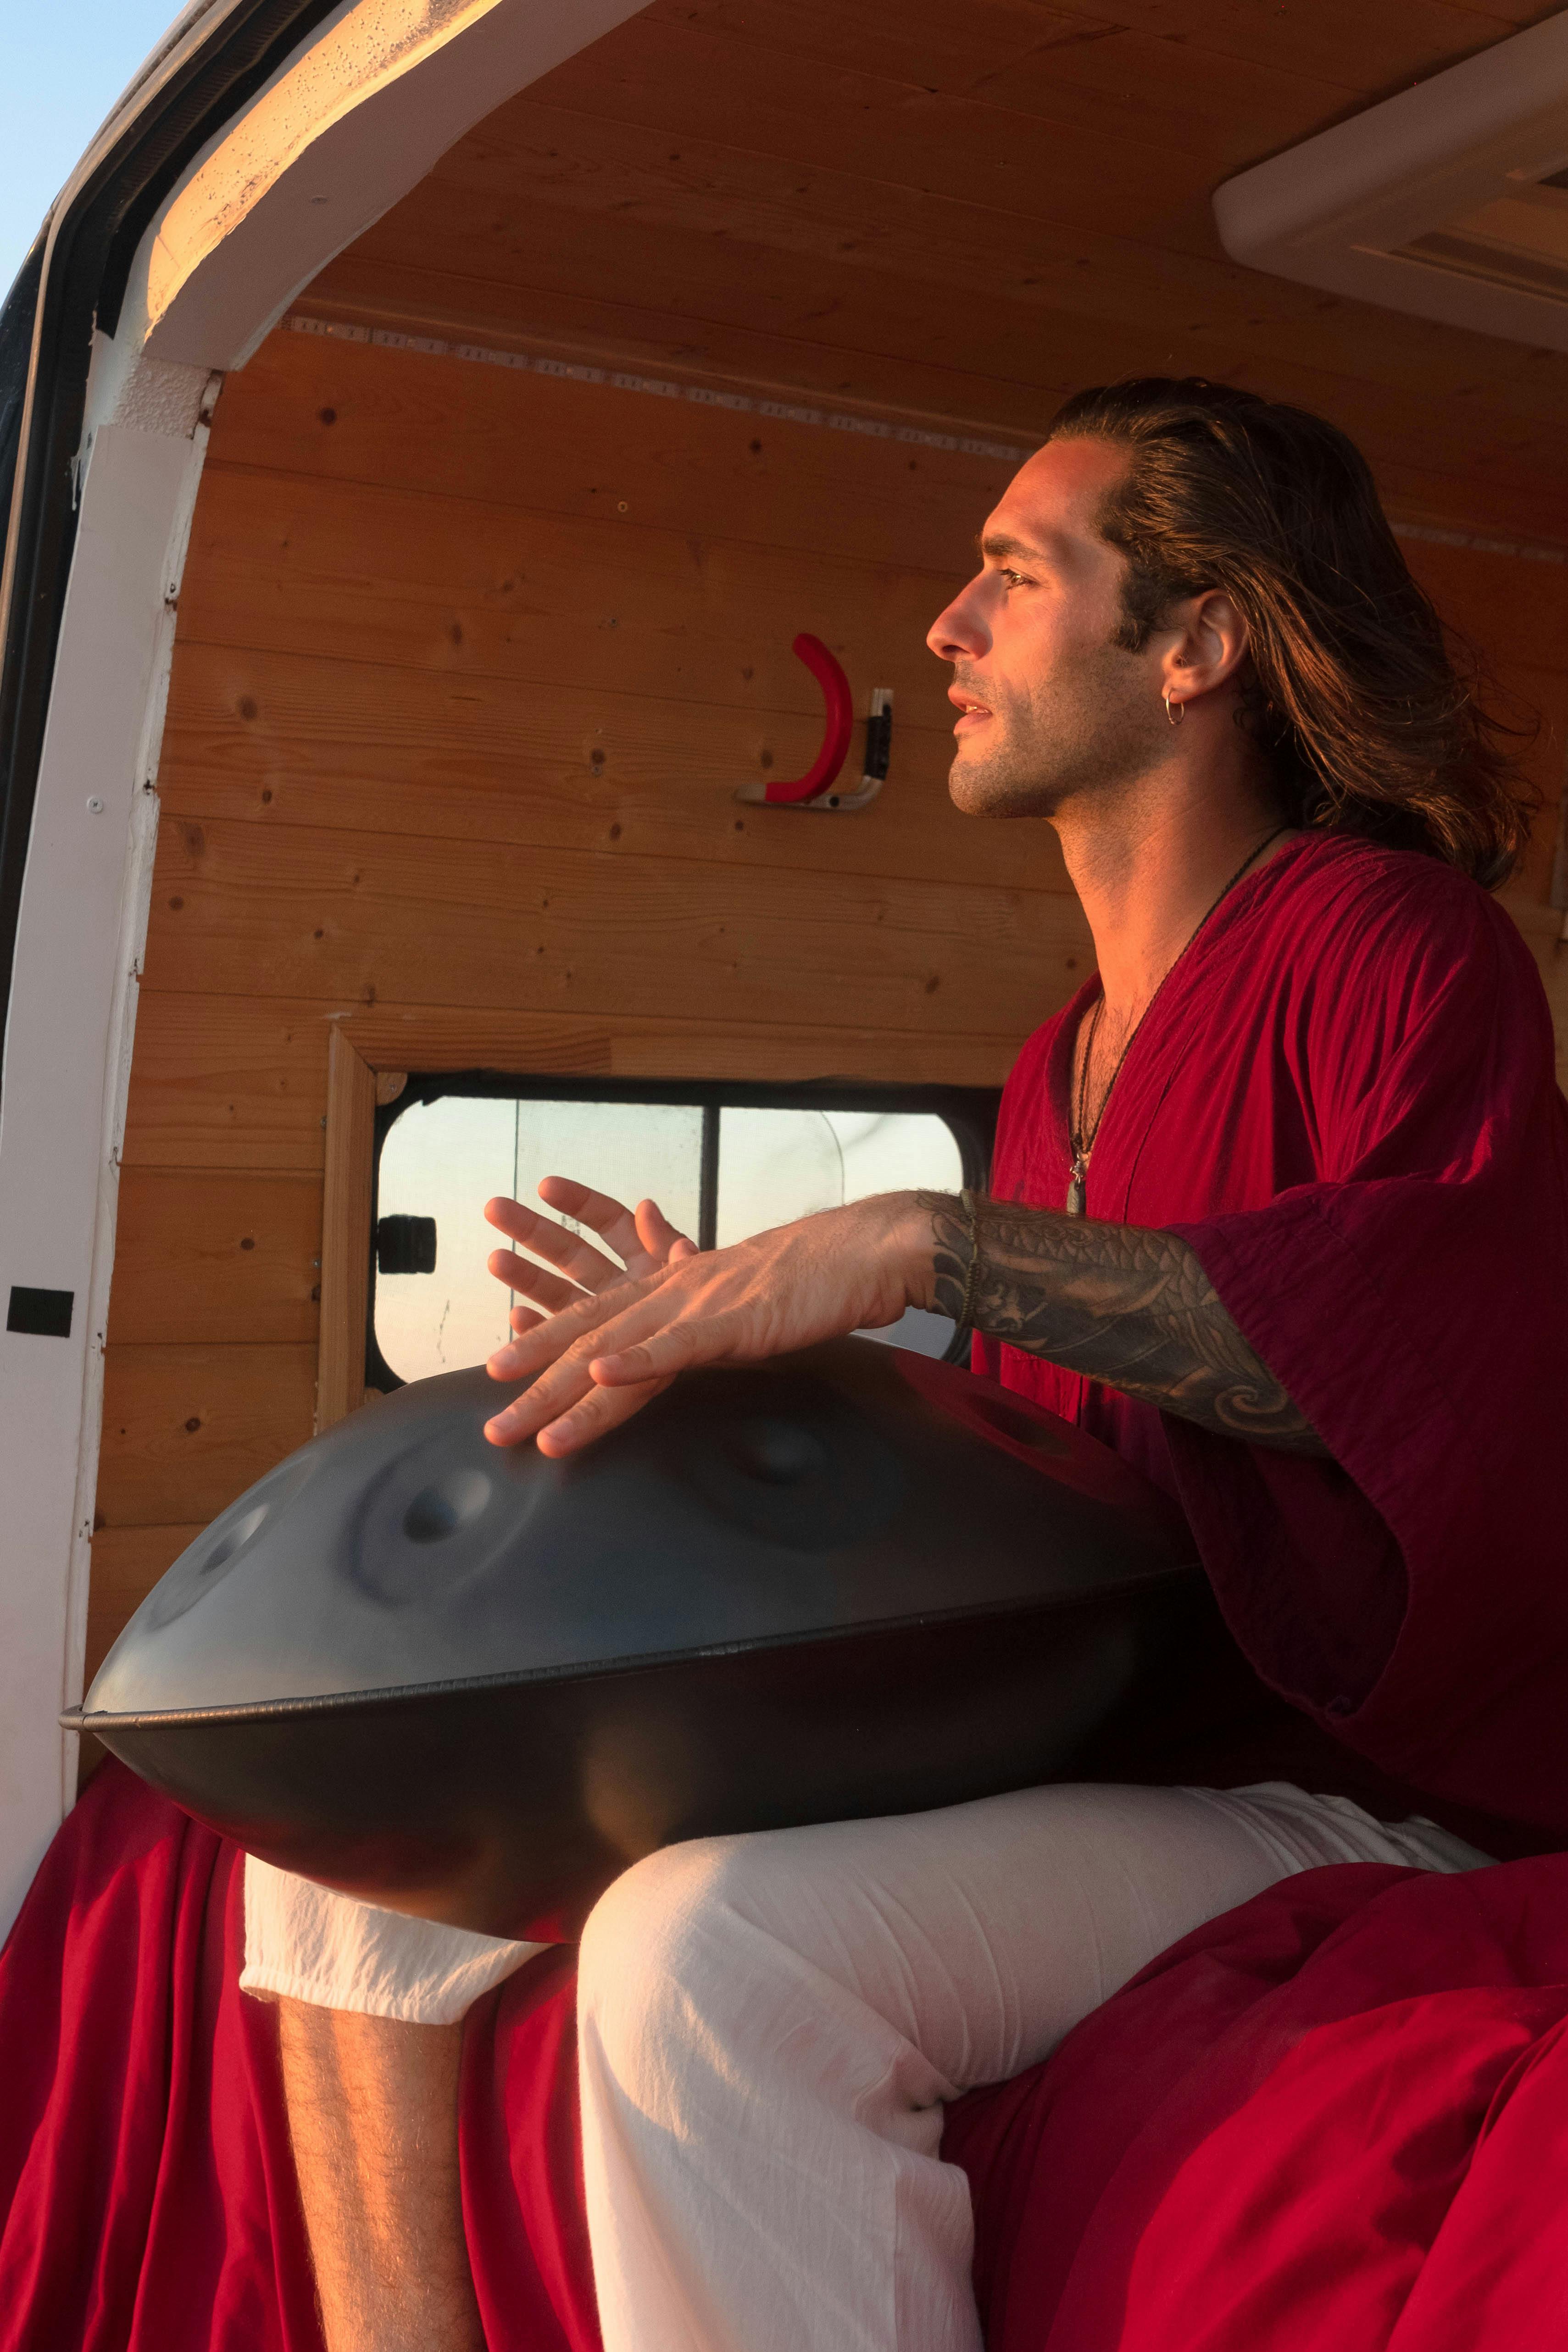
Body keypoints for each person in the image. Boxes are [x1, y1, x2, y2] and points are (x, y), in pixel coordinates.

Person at [244, 379, 1568, 2352]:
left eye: (1012, 579)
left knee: (713, 1958)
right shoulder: (1059, 1065)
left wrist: (920, 1243)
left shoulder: (1399, 950)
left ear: (1198, 643)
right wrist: (746, 1373)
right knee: (349, 1828)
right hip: (1091, 1721)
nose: (941, 632)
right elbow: (1071, 1463)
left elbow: (1393, 1365)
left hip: (1328, 1781)